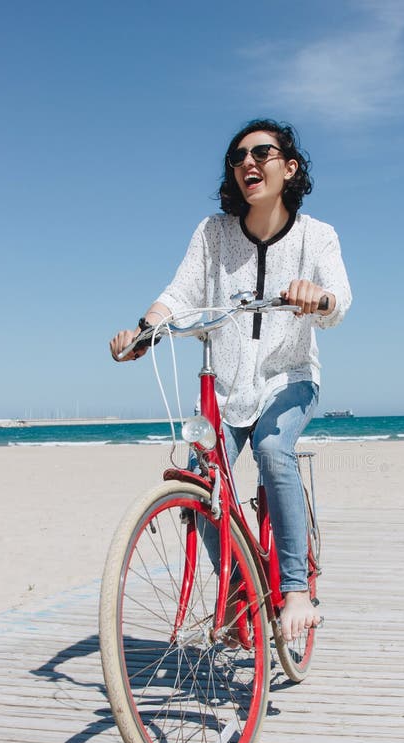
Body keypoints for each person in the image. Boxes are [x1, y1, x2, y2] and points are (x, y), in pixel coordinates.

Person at [110, 118, 351, 642]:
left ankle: (294, 591)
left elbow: (340, 301)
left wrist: (319, 296)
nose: (248, 163)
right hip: (226, 386)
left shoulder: (318, 236)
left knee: (271, 448)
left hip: (290, 378)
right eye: (238, 156)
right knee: (203, 481)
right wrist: (143, 333)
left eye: (262, 153)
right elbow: (177, 294)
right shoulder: (213, 234)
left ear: (288, 168)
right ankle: (242, 586)